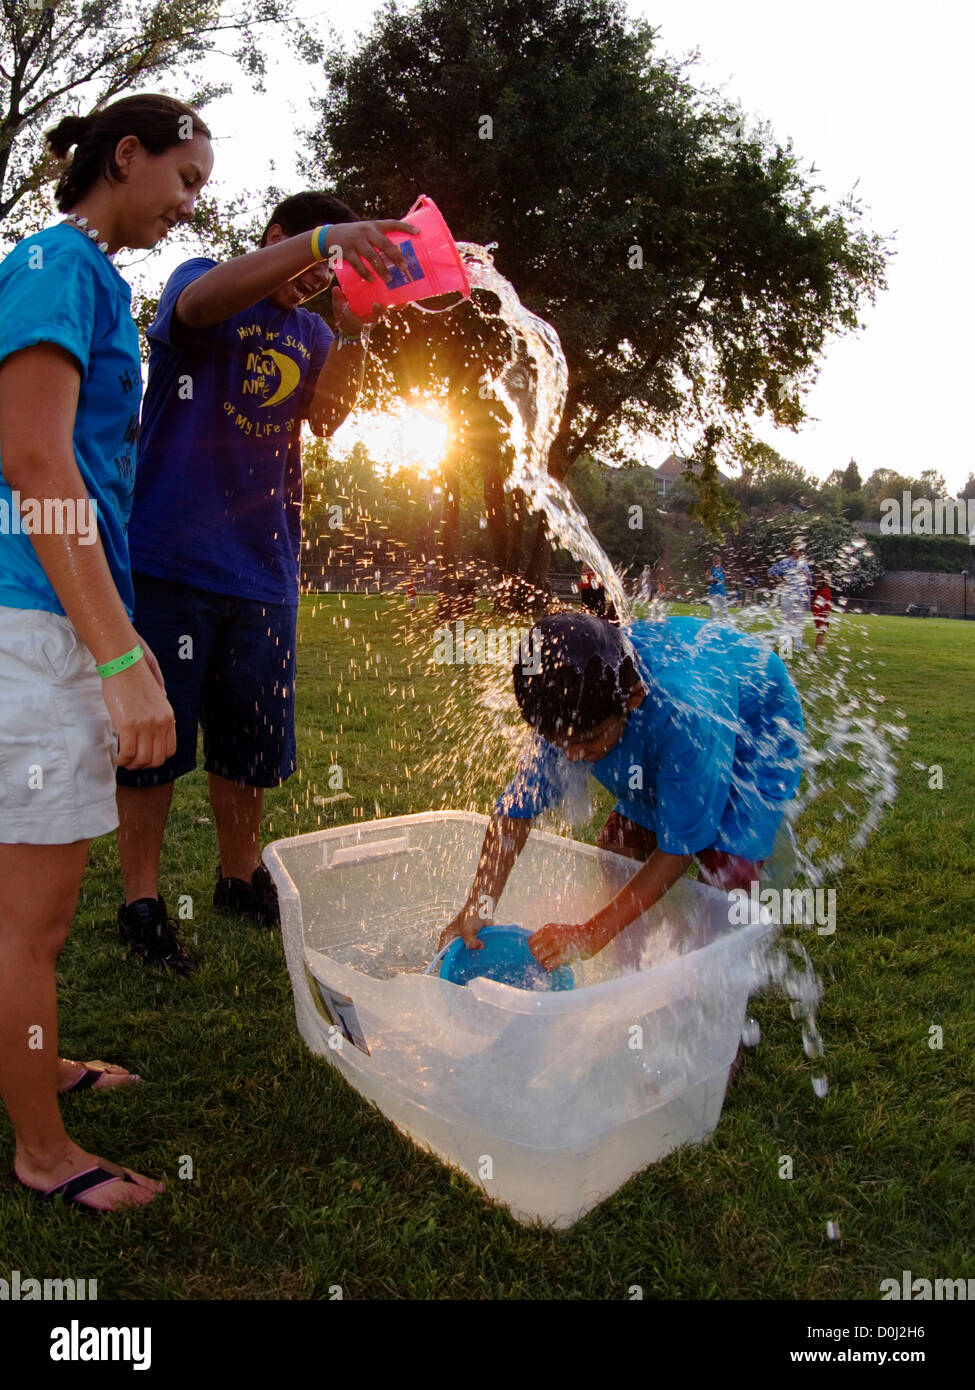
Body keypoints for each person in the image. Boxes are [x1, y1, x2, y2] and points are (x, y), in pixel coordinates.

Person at [0, 94, 215, 1212]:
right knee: (25, 919)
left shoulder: (85, 277)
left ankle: (32, 1057)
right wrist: (121, 654)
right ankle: (43, 1153)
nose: (193, 202)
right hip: (34, 627)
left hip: (42, 622)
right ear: (124, 156)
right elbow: (37, 465)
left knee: (24, 905)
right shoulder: (58, 263)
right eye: (184, 177)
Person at [113, 191, 419, 976]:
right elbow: (195, 305)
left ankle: (237, 877)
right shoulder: (206, 278)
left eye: (329, 274)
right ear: (280, 239)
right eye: (313, 262)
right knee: (154, 744)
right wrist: (323, 241)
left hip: (265, 570)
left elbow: (330, 416)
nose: (317, 281)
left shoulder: (312, 330)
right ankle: (141, 901)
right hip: (169, 557)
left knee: (250, 745)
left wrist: (355, 328)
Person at [439, 611, 804, 971]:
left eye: (589, 740)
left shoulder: (683, 712)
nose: (571, 756)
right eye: (556, 742)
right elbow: (515, 812)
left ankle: (716, 989)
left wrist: (590, 934)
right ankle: (633, 968)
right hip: (673, 716)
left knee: (726, 875)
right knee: (618, 846)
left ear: (632, 697)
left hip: (756, 729)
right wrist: (479, 906)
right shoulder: (567, 706)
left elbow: (679, 849)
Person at [768, 540, 812, 652]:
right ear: (792, 550)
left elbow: (810, 580)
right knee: (786, 621)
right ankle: (785, 648)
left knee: (799, 621)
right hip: (787, 595)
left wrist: (806, 577)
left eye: (801, 550)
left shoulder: (804, 564)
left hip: (800, 596)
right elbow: (771, 571)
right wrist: (782, 581)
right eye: (797, 550)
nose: (799, 552)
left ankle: (798, 647)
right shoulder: (785, 562)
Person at [811, 570, 832, 655]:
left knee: (820, 632)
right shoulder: (826, 590)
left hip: (818, 614)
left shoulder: (819, 590)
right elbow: (826, 603)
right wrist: (826, 613)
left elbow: (815, 603)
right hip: (822, 614)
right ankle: (817, 651)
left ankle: (818, 649)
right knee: (821, 633)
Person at [706, 553, 728, 620]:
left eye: (717, 561)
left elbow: (725, 579)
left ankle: (726, 624)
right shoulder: (710, 569)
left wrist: (722, 581)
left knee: (724, 611)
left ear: (720, 562)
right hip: (713, 592)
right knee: (713, 612)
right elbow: (706, 581)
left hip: (722, 592)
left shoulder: (722, 570)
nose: (716, 563)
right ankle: (713, 624)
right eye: (714, 561)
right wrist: (711, 579)